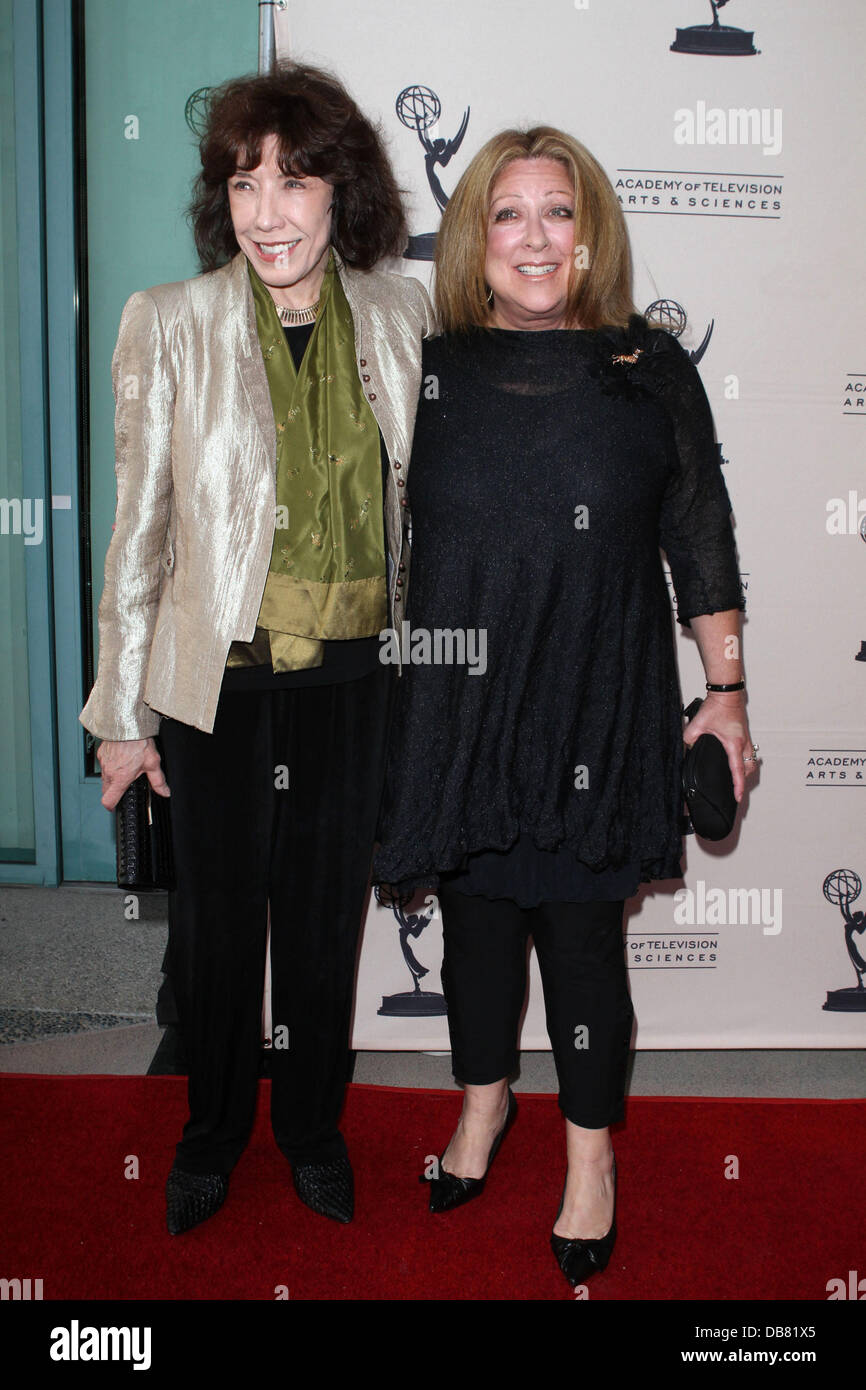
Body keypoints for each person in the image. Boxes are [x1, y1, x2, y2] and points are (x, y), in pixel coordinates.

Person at [372, 126, 757, 1288]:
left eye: (555, 213)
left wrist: (725, 698)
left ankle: (589, 1161)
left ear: (588, 235)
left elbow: (699, 538)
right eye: (505, 213)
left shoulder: (646, 368)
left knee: (584, 946)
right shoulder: (422, 369)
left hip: (597, 692)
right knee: (477, 932)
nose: (532, 237)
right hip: (459, 699)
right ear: (473, 238)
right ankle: (483, 1109)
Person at [80, 62, 433, 1235]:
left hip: (352, 679)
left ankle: (314, 1128)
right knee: (221, 925)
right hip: (219, 687)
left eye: (294, 179)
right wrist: (122, 715)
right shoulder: (167, 321)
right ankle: (211, 1131)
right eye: (244, 182)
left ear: (342, 192)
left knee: (328, 922)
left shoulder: (401, 313)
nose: (267, 210)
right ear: (221, 199)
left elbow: (420, 507)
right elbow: (139, 532)